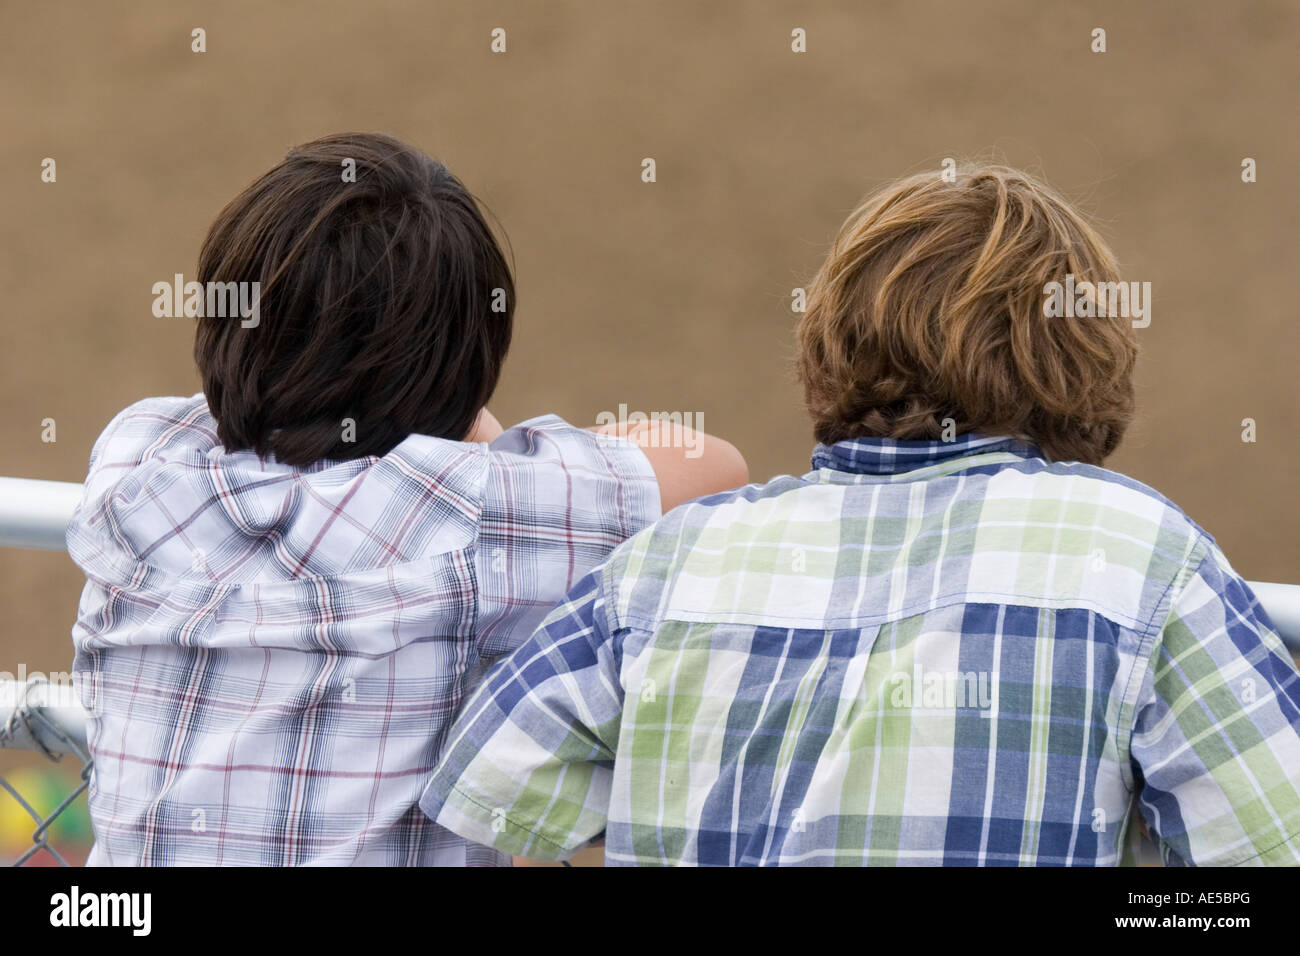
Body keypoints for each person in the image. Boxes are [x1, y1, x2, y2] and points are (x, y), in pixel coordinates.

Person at [420, 164, 1300, 866]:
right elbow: (1270, 839)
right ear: (1082, 355)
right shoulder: (1137, 553)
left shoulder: (672, 560)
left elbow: (493, 779)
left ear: (829, 338)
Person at [67, 132, 746, 866]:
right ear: (471, 360)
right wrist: (475, 434)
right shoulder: (473, 515)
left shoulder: (138, 458)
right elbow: (712, 465)